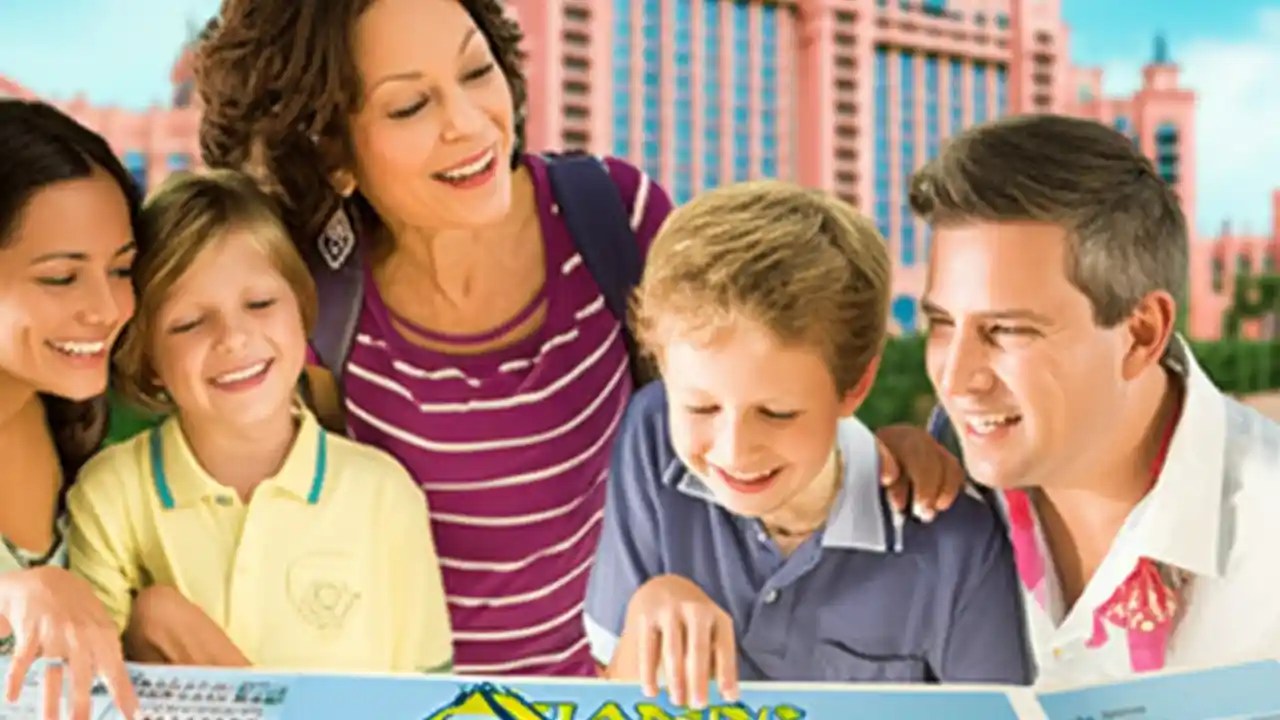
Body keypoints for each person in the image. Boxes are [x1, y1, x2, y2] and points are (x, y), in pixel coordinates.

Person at [141, 0, 966, 676]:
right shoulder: (311, 299)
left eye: (475, 71)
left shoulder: (611, 219)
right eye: (409, 105)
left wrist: (867, 460)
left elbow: (740, 420)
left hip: (608, 689)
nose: (470, 123)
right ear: (332, 147)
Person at [585, 181, 1031, 708]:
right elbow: (610, 696)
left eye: (776, 414)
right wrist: (647, 610)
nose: (734, 451)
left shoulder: (957, 549)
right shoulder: (652, 437)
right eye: (701, 408)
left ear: (855, 387)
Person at [914, 114, 1280, 686]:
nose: (957, 378)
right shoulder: (919, 488)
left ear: (1139, 333)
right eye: (940, 324)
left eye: (1007, 330)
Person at [68, 170, 454, 674]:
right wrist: (155, 622)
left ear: (301, 310)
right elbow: (89, 690)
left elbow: (426, 693)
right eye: (188, 323)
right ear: (148, 361)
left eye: (260, 303)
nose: (234, 338)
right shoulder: (111, 495)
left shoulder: (384, 494)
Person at [0, 99, 139, 720]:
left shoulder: (90, 416)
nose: (106, 309)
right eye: (61, 278)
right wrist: (15, 591)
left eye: (121, 269)